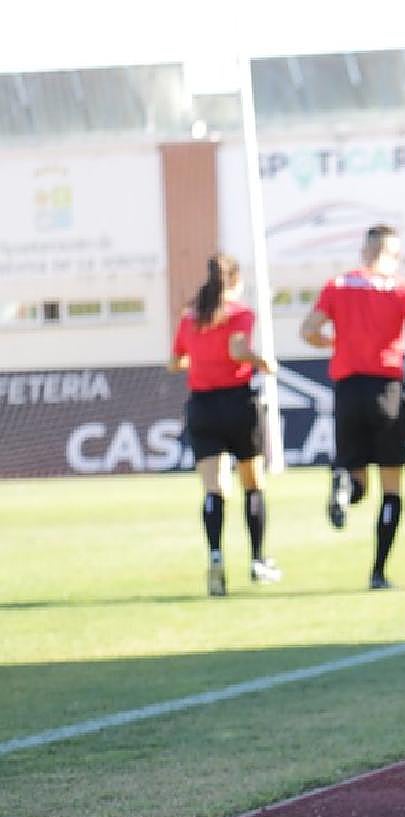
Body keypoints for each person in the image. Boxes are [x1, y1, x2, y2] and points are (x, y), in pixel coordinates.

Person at [300, 225, 405, 590]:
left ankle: (342, 485)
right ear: (393, 254)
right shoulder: (402, 287)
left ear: (365, 252)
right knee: (391, 487)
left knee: (356, 477)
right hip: (387, 389)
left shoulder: (339, 285)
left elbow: (308, 330)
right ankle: (378, 572)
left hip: (348, 390)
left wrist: (331, 341)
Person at [168, 254, 280, 596]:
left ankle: (216, 556)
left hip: (202, 407)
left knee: (214, 489)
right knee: (252, 483)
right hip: (236, 403)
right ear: (234, 281)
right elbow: (237, 349)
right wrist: (263, 361)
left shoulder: (191, 317)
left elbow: (175, 362)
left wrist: (201, 358)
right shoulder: (240, 314)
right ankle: (258, 559)